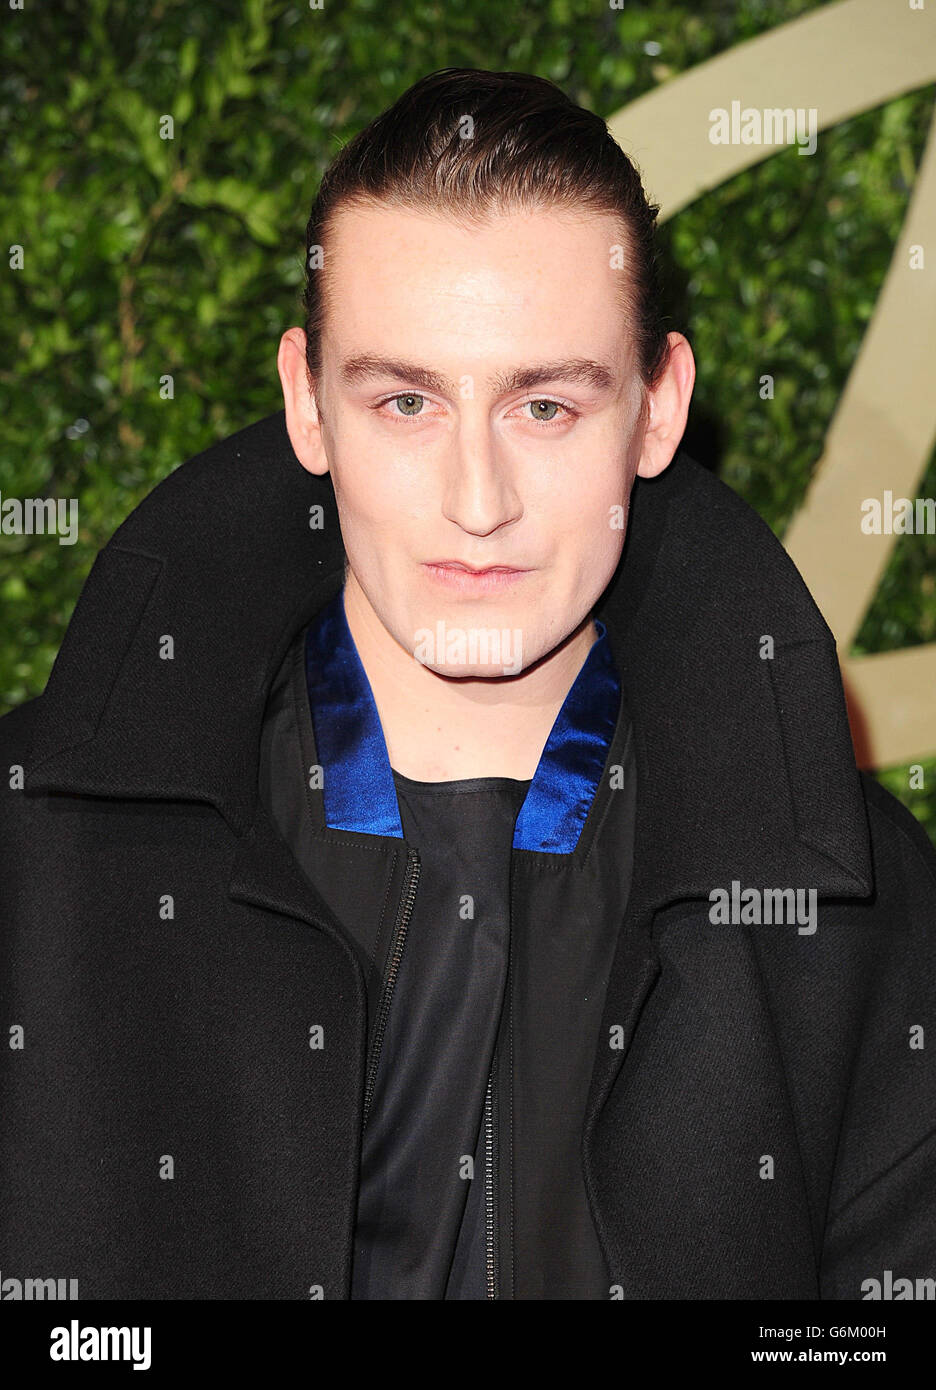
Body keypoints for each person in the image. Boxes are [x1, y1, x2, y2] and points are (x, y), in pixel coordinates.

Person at [1, 67, 934, 1301]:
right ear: (307, 405)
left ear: (658, 409)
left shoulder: (863, 907)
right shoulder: (36, 856)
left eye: (544, 406)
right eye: (406, 401)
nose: (477, 501)